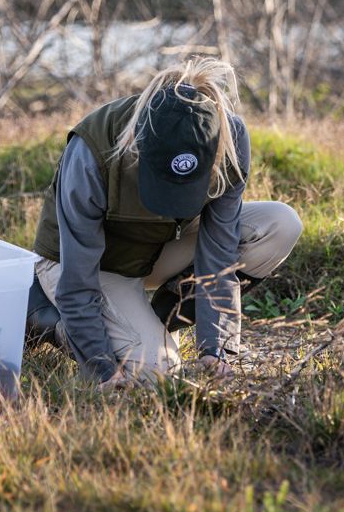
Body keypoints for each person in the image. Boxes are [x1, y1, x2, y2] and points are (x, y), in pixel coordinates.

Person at [26, 58, 302, 388]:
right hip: (85, 264)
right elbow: (77, 276)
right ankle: (50, 321)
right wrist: (100, 365)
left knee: (280, 224)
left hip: (156, 250)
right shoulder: (94, 148)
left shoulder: (229, 139)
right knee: (160, 375)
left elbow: (220, 251)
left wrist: (214, 349)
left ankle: (156, 322)